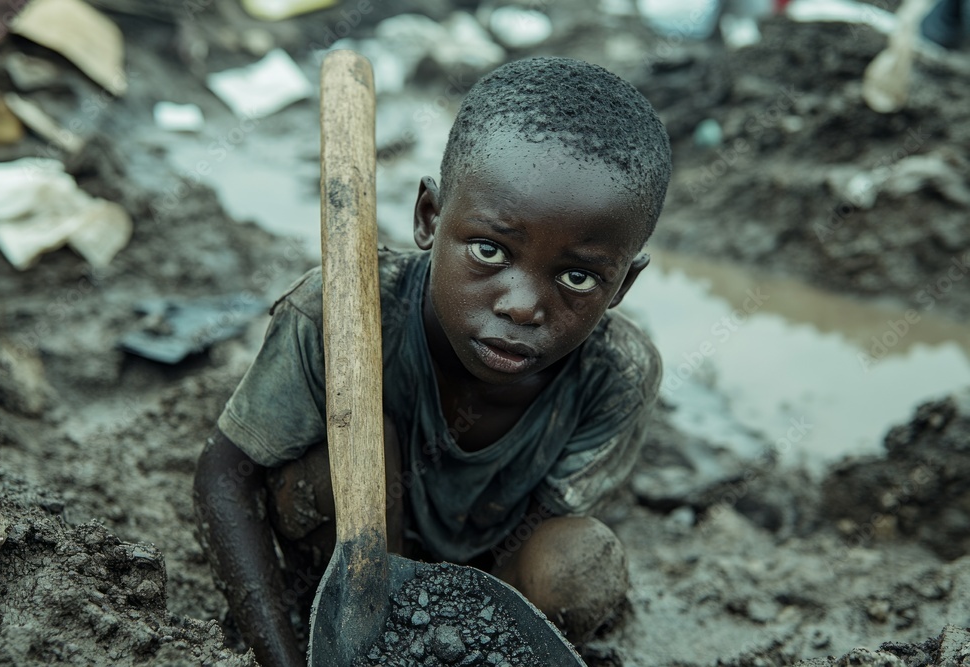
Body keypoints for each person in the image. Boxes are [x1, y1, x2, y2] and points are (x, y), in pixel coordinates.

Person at [193, 55, 672, 667]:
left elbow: (546, 521)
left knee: (578, 563)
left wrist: (453, 637)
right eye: (489, 249)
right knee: (339, 453)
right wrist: (281, 655)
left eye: (577, 277)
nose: (522, 307)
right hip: (347, 554)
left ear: (623, 286)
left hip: (492, 568)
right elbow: (223, 478)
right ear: (429, 217)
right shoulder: (339, 312)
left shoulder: (616, 376)